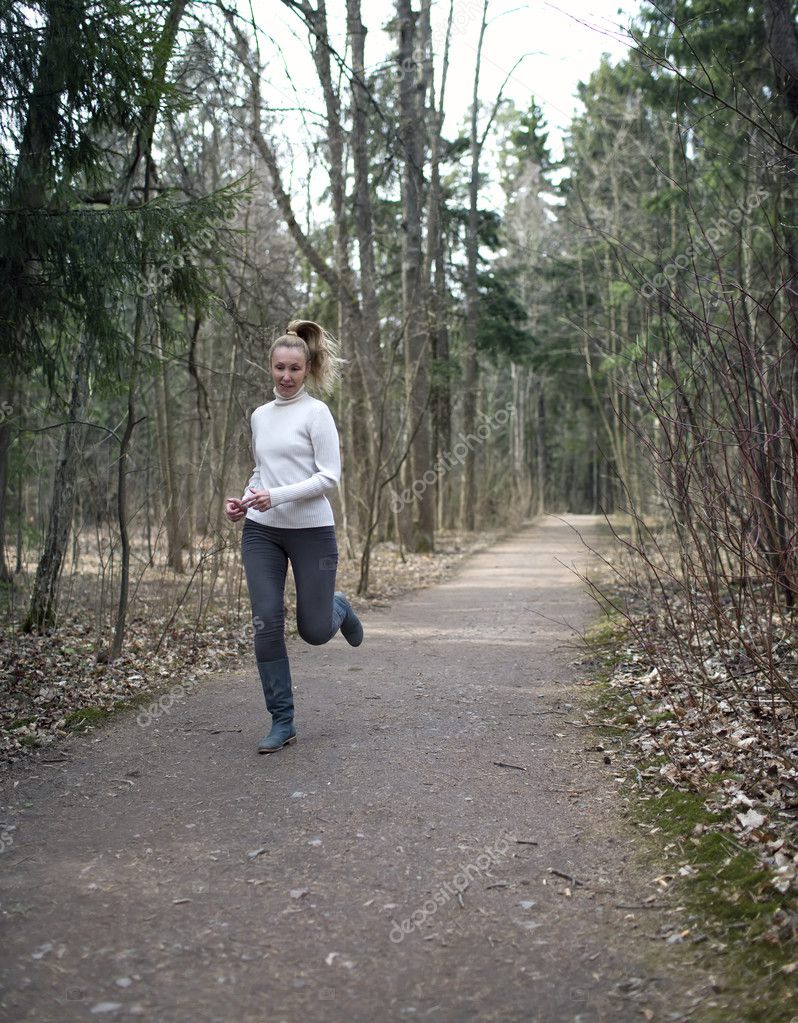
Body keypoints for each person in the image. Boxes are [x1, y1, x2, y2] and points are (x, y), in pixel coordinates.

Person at [225, 320, 363, 754]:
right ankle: (282, 721)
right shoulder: (259, 416)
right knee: (265, 623)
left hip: (311, 533)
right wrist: (245, 500)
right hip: (261, 533)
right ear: (270, 367)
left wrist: (276, 496)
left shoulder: (316, 413)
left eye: (295, 369)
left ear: (307, 369)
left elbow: (329, 476)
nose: (286, 376)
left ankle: (338, 607)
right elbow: (261, 472)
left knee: (315, 631)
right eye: (280, 368)